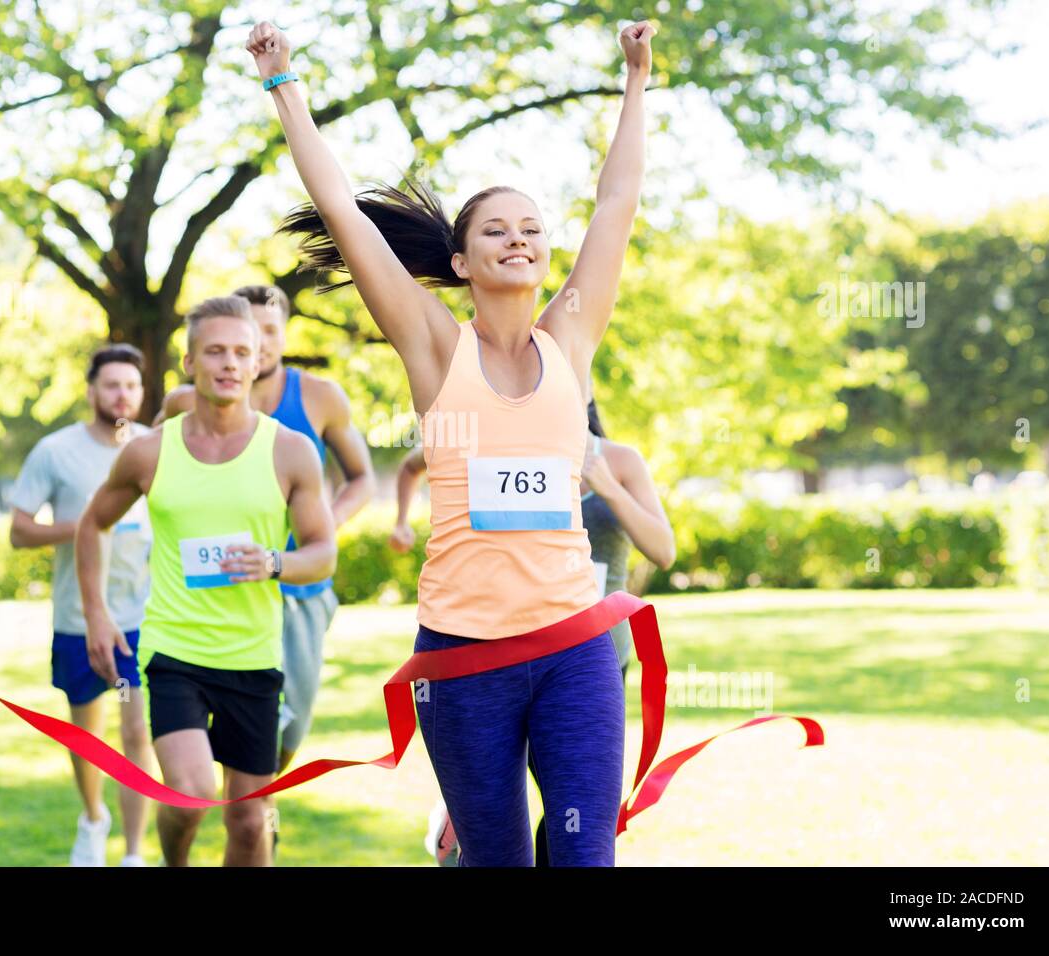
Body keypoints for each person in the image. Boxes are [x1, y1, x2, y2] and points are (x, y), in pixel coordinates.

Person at [247, 16, 658, 865]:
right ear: (462, 261)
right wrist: (282, 84)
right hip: (464, 658)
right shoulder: (436, 346)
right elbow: (342, 211)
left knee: (586, 855)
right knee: (495, 857)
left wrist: (636, 81)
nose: (520, 238)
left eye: (533, 228)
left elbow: (616, 204)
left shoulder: (570, 339)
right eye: (497, 230)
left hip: (575, 646)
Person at [75, 295, 336, 866]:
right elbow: (92, 524)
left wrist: (274, 563)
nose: (230, 363)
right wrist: (96, 614)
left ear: (259, 359)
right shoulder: (148, 453)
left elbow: (323, 553)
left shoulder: (290, 452)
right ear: (190, 363)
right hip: (175, 651)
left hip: (254, 658)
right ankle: (173, 862)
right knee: (191, 796)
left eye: (243, 351)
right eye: (215, 351)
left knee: (248, 824)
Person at [391, 398, 677, 865]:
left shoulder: (620, 460)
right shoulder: (487, 444)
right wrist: (401, 522)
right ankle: (464, 806)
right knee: (503, 804)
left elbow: (664, 551)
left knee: (576, 815)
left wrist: (608, 487)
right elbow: (411, 467)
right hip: (499, 653)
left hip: (596, 656)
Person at [7, 344, 155, 867]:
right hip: (77, 617)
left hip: (143, 617)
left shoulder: (154, 448)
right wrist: (92, 525)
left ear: (142, 392)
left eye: (131, 385)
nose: (122, 394)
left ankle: (135, 854)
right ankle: (94, 819)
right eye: (112, 384)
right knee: (88, 736)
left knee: (137, 732)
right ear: (92, 391)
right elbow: (19, 531)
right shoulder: (55, 450)